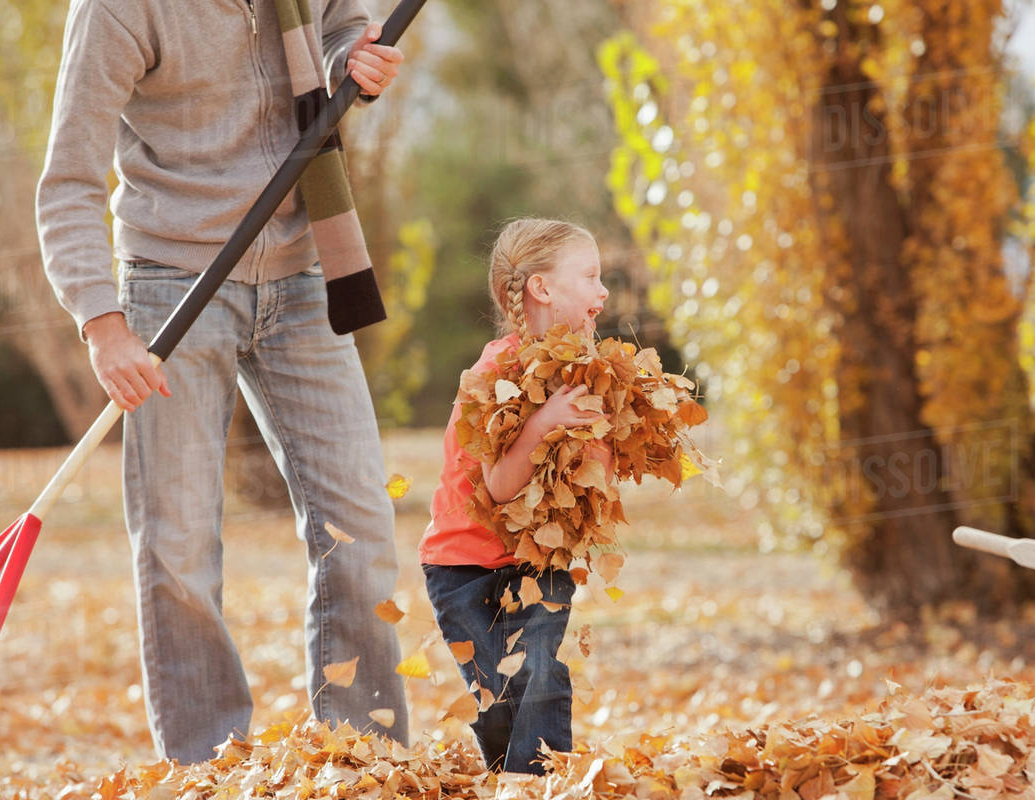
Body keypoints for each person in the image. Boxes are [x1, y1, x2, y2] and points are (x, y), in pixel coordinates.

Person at [35, 0, 410, 763]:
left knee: (360, 528)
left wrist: (354, 66)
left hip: (304, 269)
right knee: (178, 551)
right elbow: (67, 179)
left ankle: (365, 760)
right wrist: (104, 327)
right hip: (171, 283)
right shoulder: (117, 9)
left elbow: (341, 31)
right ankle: (208, 765)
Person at [419, 217, 611, 775]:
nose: (604, 292)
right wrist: (545, 420)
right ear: (541, 288)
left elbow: (591, 476)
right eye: (592, 276)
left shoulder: (581, 370)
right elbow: (501, 486)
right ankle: (513, 778)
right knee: (497, 702)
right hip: (462, 568)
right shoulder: (492, 372)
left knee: (542, 676)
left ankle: (539, 787)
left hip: (537, 560)